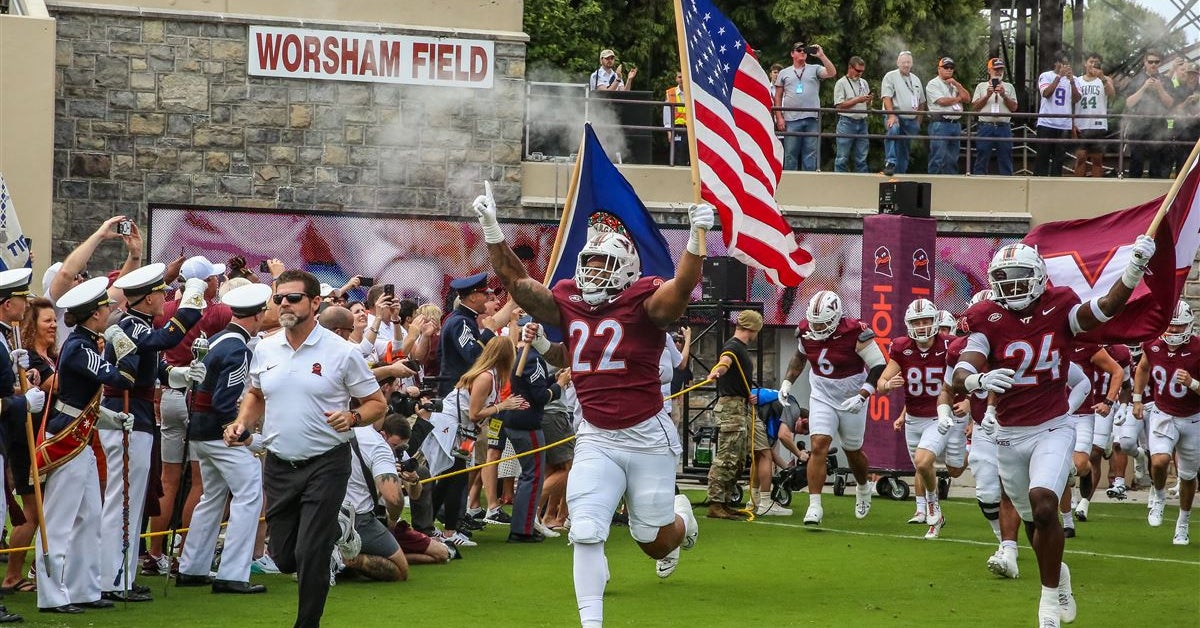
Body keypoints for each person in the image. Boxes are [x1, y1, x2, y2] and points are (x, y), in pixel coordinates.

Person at [474, 182, 708, 626]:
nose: (594, 270)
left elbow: (679, 292)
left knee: (651, 538)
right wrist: (492, 229)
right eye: (590, 260)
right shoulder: (569, 298)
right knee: (584, 530)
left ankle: (682, 520)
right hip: (597, 434)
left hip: (646, 436)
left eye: (605, 262)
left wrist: (696, 242)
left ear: (626, 269)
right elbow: (518, 283)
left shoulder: (644, 297)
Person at [951, 235, 1156, 627]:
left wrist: (1134, 268)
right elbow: (964, 366)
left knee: (1045, 503)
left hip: (1053, 426)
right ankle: (1058, 575)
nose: (1011, 287)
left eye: (1018, 278)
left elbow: (1105, 309)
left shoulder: (1059, 304)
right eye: (1004, 279)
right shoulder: (985, 317)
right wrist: (977, 380)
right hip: (1009, 434)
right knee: (1033, 520)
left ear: (1038, 276)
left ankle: (1046, 605)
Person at [223, 269, 386, 628]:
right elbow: (255, 393)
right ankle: (337, 534)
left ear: (314, 303)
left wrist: (353, 417)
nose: (284, 304)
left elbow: (377, 403)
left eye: (292, 298)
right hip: (279, 464)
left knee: (310, 551)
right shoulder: (264, 347)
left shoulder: (342, 352)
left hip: (327, 462)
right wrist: (242, 423)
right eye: (279, 298)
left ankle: (306, 623)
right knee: (284, 557)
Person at [100, 263, 206, 602]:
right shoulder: (132, 326)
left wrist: (183, 374)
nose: (166, 297)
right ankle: (113, 578)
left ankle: (124, 575)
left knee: (131, 498)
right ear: (148, 299)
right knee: (124, 500)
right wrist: (192, 299)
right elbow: (168, 338)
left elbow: (158, 369)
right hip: (127, 416)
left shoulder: (140, 325)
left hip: (141, 416)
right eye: (161, 292)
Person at [35, 276, 133, 614]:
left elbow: (83, 402)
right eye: (106, 306)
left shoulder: (87, 343)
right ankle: (51, 595)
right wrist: (125, 349)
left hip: (82, 438)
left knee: (89, 517)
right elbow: (120, 378)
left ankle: (83, 589)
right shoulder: (79, 347)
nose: (109, 311)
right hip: (68, 439)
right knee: (59, 521)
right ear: (94, 314)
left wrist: (112, 419)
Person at [175, 283, 272, 594]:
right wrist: (240, 431)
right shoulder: (237, 348)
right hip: (219, 434)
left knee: (213, 497)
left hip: (200, 431)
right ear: (256, 317)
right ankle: (232, 573)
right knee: (249, 494)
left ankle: (193, 567)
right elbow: (225, 400)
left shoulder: (216, 339)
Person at [146, 254, 233, 576]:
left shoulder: (166, 309)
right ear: (205, 282)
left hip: (169, 395)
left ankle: (154, 554)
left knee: (168, 479)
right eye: (214, 278)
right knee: (199, 482)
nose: (218, 282)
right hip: (196, 397)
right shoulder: (218, 312)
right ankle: (185, 552)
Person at [781, 290, 886, 525]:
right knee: (818, 445)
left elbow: (879, 364)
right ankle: (815, 505)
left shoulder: (855, 332)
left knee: (853, 450)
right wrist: (788, 381)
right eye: (815, 323)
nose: (817, 329)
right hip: (822, 395)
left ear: (837, 317)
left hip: (853, 395)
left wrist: (863, 395)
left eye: (823, 324)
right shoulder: (807, 329)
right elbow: (800, 358)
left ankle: (862, 486)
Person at [420, 337, 527, 546]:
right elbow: (475, 412)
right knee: (453, 479)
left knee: (450, 478)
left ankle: (430, 527)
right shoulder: (486, 377)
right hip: (449, 428)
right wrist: (503, 406)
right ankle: (447, 530)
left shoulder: (493, 376)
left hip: (461, 430)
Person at [878, 298, 961, 538]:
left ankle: (933, 507)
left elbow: (969, 372)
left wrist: (966, 400)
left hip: (939, 415)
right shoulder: (901, 347)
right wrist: (887, 384)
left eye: (926, 321)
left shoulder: (951, 345)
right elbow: (881, 383)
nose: (922, 327)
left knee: (926, 463)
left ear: (935, 322)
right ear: (908, 324)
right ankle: (927, 508)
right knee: (922, 467)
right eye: (917, 322)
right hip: (914, 420)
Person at [706, 310, 787, 518]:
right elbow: (726, 361)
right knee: (727, 457)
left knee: (738, 458)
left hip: (740, 405)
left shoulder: (739, 347)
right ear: (753, 329)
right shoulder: (733, 347)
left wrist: (746, 395)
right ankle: (715, 503)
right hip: (731, 409)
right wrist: (718, 370)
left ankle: (723, 502)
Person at [1132, 300, 1198, 545]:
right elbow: (1143, 368)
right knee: (1159, 462)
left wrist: (1192, 383)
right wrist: (1138, 399)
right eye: (1170, 327)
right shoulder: (1153, 344)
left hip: (1193, 418)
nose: (1172, 332)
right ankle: (1158, 496)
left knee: (1188, 476)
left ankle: (1183, 522)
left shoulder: (1199, 348)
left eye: (1179, 328)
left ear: (1189, 327)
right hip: (1163, 413)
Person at [6, 296, 57, 594]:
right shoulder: (31, 359)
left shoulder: (50, 356)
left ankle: (34, 568)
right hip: (27, 439)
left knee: (43, 509)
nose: (52, 325)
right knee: (32, 511)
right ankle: (12, 575)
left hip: (44, 439)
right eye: (46, 321)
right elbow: (56, 386)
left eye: (54, 320)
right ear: (32, 326)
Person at [0, 270, 40, 623]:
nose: (25, 305)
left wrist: (19, 386)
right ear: (7, 303)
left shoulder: (6, 340)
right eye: (22, 299)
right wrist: (23, 402)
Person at [1060, 343, 1122, 532]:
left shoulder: (1087, 345)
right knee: (1061, 468)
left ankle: (1086, 471)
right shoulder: (1049, 342)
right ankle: (1067, 522)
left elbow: (1117, 371)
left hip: (1082, 415)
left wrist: (1109, 402)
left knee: (1077, 466)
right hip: (1054, 416)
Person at [340, 417, 411, 581]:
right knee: (400, 570)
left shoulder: (333, 428)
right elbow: (394, 498)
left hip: (318, 510)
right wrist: (392, 521)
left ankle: (330, 555)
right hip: (357, 517)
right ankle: (345, 560)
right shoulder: (378, 444)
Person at [774, 41, 835, 171]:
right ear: (792, 54)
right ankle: (790, 183)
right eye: (799, 50)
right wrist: (779, 117)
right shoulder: (784, 73)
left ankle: (810, 184)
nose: (802, 52)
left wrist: (822, 56)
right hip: (791, 119)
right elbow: (778, 96)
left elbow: (832, 73)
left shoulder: (815, 68)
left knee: (811, 154)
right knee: (790, 154)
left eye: (804, 50)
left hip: (811, 118)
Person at [1124, 49, 1176, 178]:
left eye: (1156, 62)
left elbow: (1170, 104)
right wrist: (1144, 87)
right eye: (1150, 61)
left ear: (1160, 63)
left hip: (1158, 127)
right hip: (1138, 127)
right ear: (1144, 62)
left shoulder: (1166, 81)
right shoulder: (1136, 80)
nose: (1153, 64)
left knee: (1157, 165)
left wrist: (1160, 88)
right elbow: (1129, 103)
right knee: (1136, 164)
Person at [1033, 52, 1081, 177]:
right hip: (1046, 123)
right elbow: (1046, 93)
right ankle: (1039, 184)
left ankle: (1055, 186)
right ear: (1056, 63)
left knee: (1058, 160)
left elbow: (1076, 99)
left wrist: (1071, 82)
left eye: (1067, 64)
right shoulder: (1046, 76)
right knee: (1042, 158)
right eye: (1062, 63)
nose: (1065, 66)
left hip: (1063, 125)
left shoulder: (1074, 79)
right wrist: (1059, 76)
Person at [971, 57, 1019, 176]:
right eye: (995, 69)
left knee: (1006, 155)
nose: (998, 72)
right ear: (989, 71)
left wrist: (1004, 95)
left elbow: (1014, 108)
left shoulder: (1009, 87)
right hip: (985, 126)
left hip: (1003, 126)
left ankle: (1007, 182)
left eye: (1000, 69)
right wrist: (987, 95)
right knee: (982, 154)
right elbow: (975, 107)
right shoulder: (981, 86)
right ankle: (979, 180)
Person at [881, 50, 925, 176]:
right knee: (893, 130)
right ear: (898, 63)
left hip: (911, 119)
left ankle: (901, 173)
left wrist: (918, 121)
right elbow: (886, 97)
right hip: (895, 115)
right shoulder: (890, 76)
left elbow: (922, 102)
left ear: (912, 64)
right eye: (904, 62)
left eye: (908, 62)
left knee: (905, 147)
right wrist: (891, 115)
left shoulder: (916, 79)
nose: (906, 65)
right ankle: (890, 162)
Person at [1072, 53, 1115, 177]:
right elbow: (1072, 102)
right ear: (1085, 63)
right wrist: (1072, 124)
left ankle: (1096, 188)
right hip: (1081, 125)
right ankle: (1078, 187)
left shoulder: (1105, 79)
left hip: (1098, 125)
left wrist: (1102, 77)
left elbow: (1112, 94)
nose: (1093, 65)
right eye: (1091, 62)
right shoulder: (1078, 80)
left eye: (1096, 63)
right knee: (1081, 157)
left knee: (1097, 159)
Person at [925, 57, 970, 175]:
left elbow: (967, 98)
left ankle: (950, 182)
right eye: (946, 67)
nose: (949, 70)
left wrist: (957, 85)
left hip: (955, 124)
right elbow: (942, 101)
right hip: (940, 123)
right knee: (937, 156)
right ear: (939, 69)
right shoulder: (933, 84)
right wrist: (958, 99)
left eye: (951, 68)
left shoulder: (954, 84)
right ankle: (933, 182)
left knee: (952, 159)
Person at [832, 56, 872, 173]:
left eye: (862, 71)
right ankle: (839, 182)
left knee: (862, 157)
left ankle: (863, 182)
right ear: (850, 67)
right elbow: (839, 106)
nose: (860, 74)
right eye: (858, 70)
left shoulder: (864, 82)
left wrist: (868, 101)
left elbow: (867, 105)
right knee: (842, 157)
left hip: (862, 121)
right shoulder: (841, 83)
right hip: (847, 122)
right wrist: (857, 100)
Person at [664, 70, 689, 166]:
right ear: (676, 79)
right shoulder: (670, 93)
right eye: (679, 77)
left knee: (690, 156)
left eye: (683, 76)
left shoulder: (692, 92)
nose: (682, 79)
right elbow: (666, 113)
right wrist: (669, 131)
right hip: (677, 129)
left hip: (690, 129)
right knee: (678, 156)